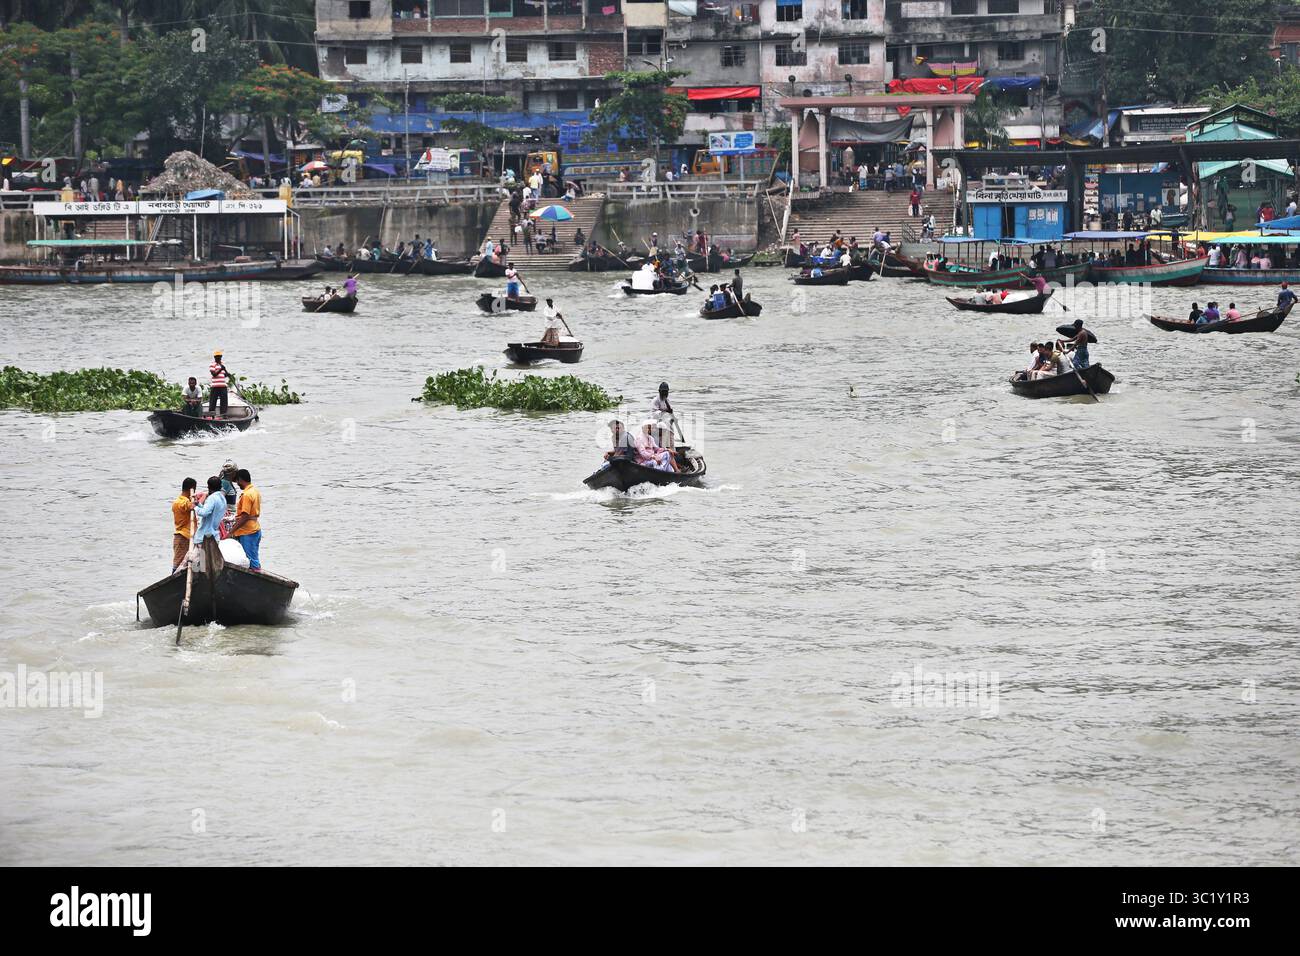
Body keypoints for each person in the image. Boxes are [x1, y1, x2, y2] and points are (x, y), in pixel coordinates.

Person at [230, 469, 262, 571]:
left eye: (237, 481)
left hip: (247, 531)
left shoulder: (247, 495)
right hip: (254, 529)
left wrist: (231, 532)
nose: (238, 484)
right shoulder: (255, 491)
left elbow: (245, 516)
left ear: (240, 480)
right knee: (253, 558)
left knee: (251, 562)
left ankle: (256, 582)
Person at [193, 476, 227, 547]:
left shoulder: (212, 498)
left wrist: (195, 507)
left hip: (205, 538)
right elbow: (210, 511)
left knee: (201, 558)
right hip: (214, 536)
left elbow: (204, 513)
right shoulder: (222, 498)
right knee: (213, 558)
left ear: (209, 487)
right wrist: (198, 504)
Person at [172, 477, 197, 572]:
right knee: (178, 565)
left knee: (186, 564)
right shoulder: (182, 501)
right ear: (192, 489)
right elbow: (191, 505)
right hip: (183, 537)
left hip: (186, 537)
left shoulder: (179, 501)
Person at [652, 382, 676, 451]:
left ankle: (672, 452)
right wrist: (664, 411)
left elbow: (670, 412)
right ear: (659, 391)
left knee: (671, 440)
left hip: (668, 424)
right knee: (662, 442)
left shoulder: (667, 400)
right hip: (659, 424)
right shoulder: (656, 400)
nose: (665, 394)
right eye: (663, 392)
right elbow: (654, 413)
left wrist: (671, 417)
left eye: (666, 392)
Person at [208, 350, 231, 416]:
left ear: (221, 357)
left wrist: (227, 374)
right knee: (213, 401)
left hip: (223, 386)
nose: (218, 358)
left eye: (219, 357)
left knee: (224, 401)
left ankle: (223, 414)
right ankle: (211, 415)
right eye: (217, 357)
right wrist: (221, 369)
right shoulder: (212, 365)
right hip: (215, 386)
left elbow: (224, 375)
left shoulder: (222, 364)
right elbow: (214, 375)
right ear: (214, 357)